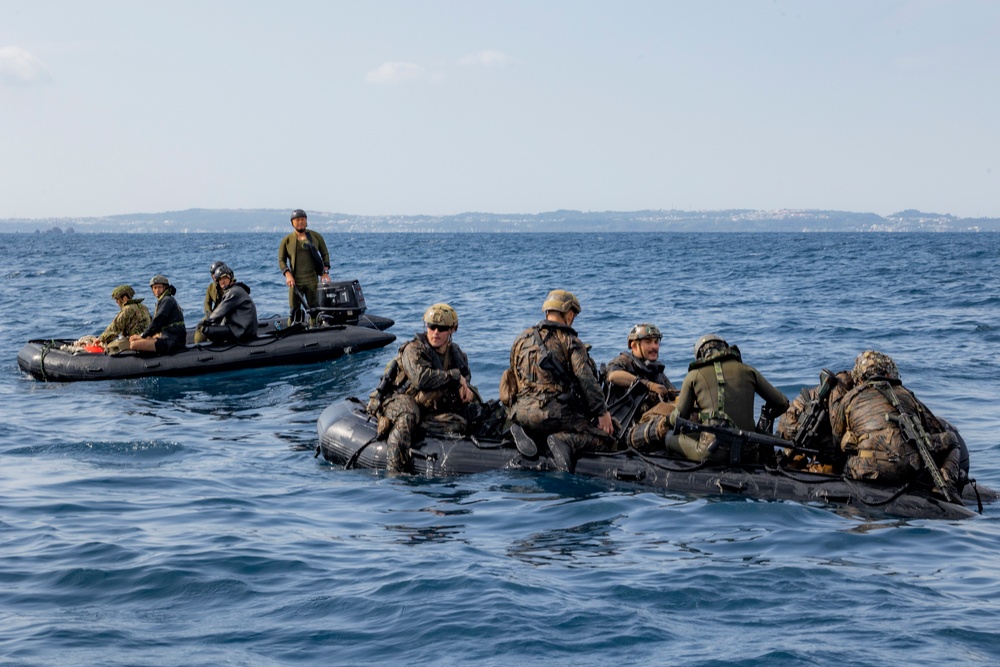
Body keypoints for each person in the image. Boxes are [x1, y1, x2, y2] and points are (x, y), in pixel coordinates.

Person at [503, 289, 615, 472]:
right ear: (569, 314)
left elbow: (512, 377)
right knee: (606, 439)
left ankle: (525, 430)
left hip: (520, 413)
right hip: (552, 415)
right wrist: (602, 413)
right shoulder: (570, 341)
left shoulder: (520, 339)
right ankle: (564, 441)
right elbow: (586, 379)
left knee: (538, 418)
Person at [828, 350, 962, 498]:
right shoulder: (907, 394)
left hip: (866, 470)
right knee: (951, 439)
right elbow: (931, 429)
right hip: (909, 469)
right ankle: (948, 484)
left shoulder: (849, 398)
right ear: (888, 373)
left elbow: (836, 440)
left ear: (859, 377)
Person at [369, 303, 476, 473]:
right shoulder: (413, 350)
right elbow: (421, 379)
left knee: (471, 411)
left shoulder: (455, 352)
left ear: (452, 330)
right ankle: (394, 470)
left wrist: (466, 388)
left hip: (428, 406)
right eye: (431, 326)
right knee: (408, 414)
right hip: (398, 398)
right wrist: (455, 377)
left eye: (441, 328)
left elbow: (465, 375)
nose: (436, 332)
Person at [669, 334, 788, 462]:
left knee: (669, 436)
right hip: (749, 453)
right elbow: (782, 403)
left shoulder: (693, 375)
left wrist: (667, 418)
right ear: (725, 348)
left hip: (711, 452)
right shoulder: (748, 370)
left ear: (700, 355)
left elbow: (678, 418)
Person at [605, 323, 678, 451]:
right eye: (648, 342)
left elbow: (674, 395)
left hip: (652, 420)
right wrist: (648, 384)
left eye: (656, 342)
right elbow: (613, 375)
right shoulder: (624, 362)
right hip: (628, 430)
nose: (654, 346)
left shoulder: (655, 370)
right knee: (665, 426)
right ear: (634, 345)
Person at [278, 209, 331, 325]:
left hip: (312, 279)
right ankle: (290, 331)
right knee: (293, 310)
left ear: (306, 221)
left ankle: (314, 330)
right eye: (297, 220)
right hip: (295, 281)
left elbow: (325, 254)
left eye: (302, 220)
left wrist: (325, 272)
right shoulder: (287, 241)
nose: (300, 222)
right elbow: (281, 260)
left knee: (314, 309)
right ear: (292, 223)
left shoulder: (316, 237)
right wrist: (287, 274)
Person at [195, 264, 258, 344]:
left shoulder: (234, 292)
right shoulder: (236, 289)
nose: (223, 282)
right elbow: (209, 305)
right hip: (245, 327)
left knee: (206, 330)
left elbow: (220, 311)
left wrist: (205, 322)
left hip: (243, 330)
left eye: (225, 278)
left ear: (231, 278)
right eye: (220, 280)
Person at [129, 275, 186, 354]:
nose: (157, 290)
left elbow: (158, 320)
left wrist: (142, 335)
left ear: (165, 287)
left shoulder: (167, 300)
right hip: (169, 337)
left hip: (172, 341)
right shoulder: (164, 300)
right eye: (155, 288)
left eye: (159, 287)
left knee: (133, 345)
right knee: (143, 339)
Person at [193, 261, 227, 344]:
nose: (214, 277)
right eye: (213, 275)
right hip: (213, 315)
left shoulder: (227, 285)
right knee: (200, 328)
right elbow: (207, 304)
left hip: (226, 315)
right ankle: (199, 346)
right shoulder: (211, 288)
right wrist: (210, 316)